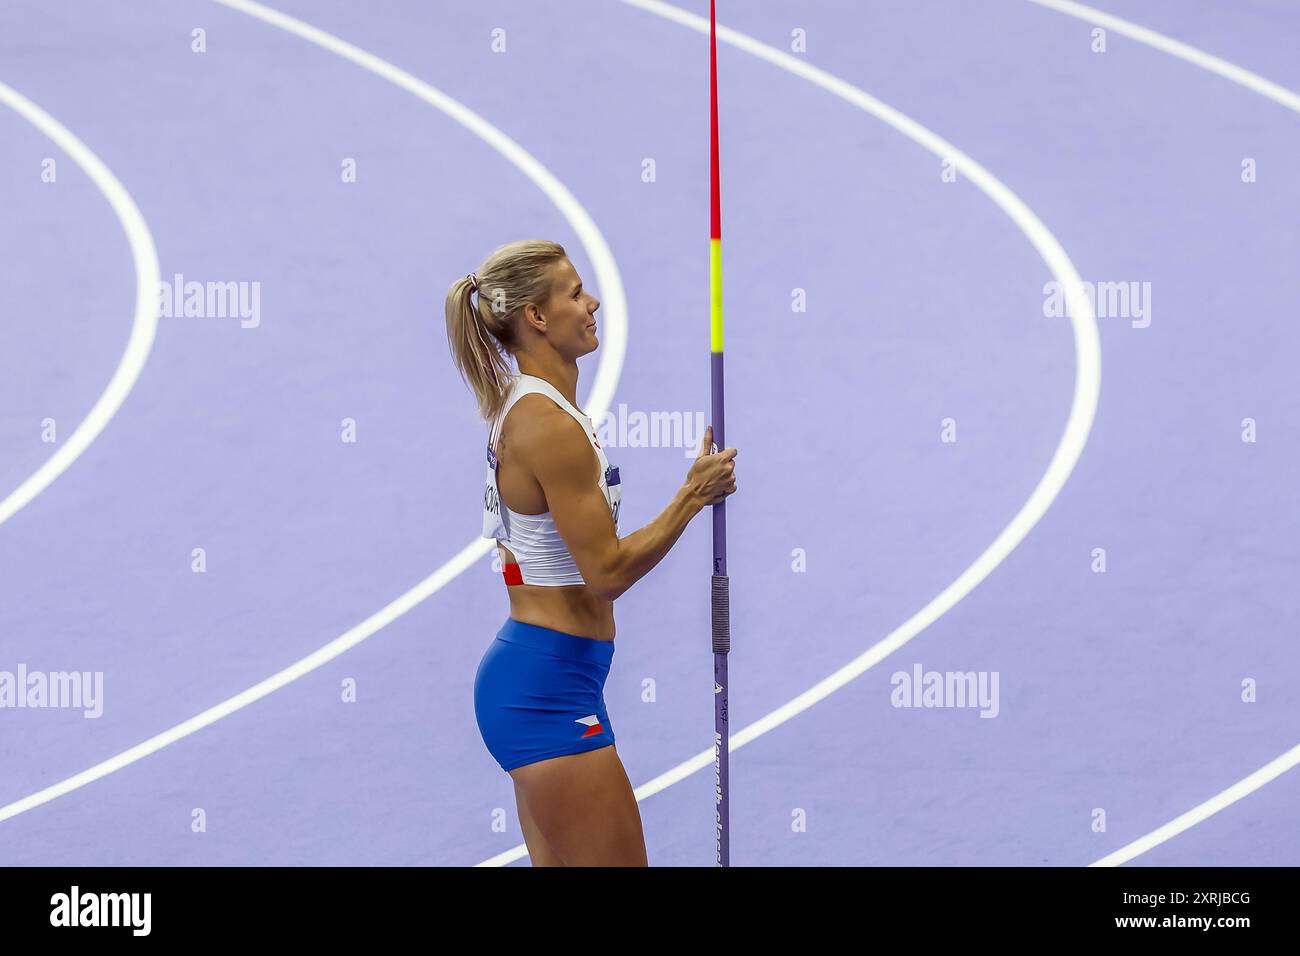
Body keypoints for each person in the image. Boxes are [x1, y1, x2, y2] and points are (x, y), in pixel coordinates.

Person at [444, 239, 738, 866]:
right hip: (546, 693)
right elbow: (604, 573)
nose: (593, 301)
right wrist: (691, 497)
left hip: (548, 678)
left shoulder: (539, 408)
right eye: (575, 292)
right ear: (537, 317)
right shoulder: (547, 425)